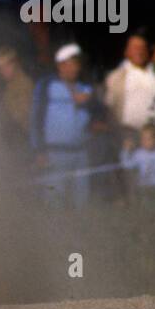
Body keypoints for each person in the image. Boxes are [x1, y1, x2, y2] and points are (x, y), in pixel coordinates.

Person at [30, 43, 100, 210]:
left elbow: (101, 112)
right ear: (61, 65)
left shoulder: (86, 87)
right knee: (55, 202)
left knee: (82, 203)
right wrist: (38, 150)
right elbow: (36, 119)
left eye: (78, 63)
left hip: (81, 153)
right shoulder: (46, 85)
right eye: (72, 63)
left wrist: (89, 101)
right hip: (54, 154)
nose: (76, 68)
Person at [103, 32, 155, 144]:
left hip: (154, 137)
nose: (139, 51)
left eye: (142, 48)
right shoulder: (115, 77)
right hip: (126, 136)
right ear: (126, 51)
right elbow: (108, 108)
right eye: (135, 48)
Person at [0, 45, 34, 151]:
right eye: (0, 68)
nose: (3, 71)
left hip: (25, 142)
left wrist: (3, 118)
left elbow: (23, 116)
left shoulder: (24, 85)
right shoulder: (7, 87)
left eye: (6, 66)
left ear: (15, 64)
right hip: (14, 142)